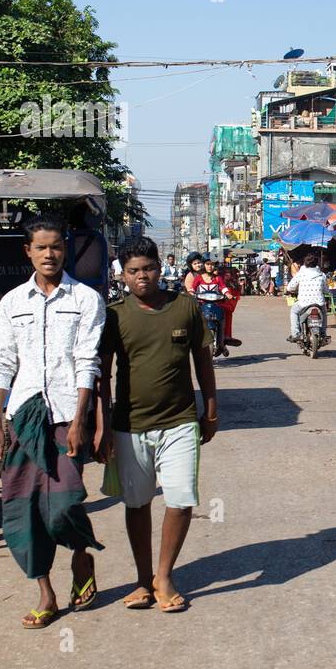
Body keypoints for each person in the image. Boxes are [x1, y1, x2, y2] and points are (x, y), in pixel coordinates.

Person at [0, 215, 107, 629]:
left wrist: (80, 420)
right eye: (41, 247)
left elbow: (88, 362)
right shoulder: (13, 304)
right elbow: (2, 364)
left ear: (65, 249)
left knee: (65, 503)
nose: (49, 254)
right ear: (28, 252)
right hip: (23, 415)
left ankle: (81, 557)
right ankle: (46, 594)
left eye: (56, 246)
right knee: (22, 511)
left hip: (65, 416)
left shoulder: (86, 299)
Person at [99, 236, 217, 614]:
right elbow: (103, 374)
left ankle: (164, 577)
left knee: (181, 500)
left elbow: (203, 362)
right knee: (137, 503)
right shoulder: (115, 315)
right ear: (122, 276)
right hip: (129, 425)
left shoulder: (185, 308)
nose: (142, 277)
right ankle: (142, 579)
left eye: (148, 268)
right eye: (133, 271)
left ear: (159, 267)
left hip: (180, 422)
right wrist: (101, 425)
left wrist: (211, 411)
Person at [286, 252, 328, 342]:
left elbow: (290, 287)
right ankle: (323, 333)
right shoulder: (322, 275)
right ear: (317, 263)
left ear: (305, 263)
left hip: (303, 303)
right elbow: (326, 290)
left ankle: (295, 334)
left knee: (294, 312)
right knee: (324, 313)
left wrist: (292, 290)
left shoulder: (301, 274)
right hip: (319, 303)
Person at [219, 263, 243, 347]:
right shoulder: (215, 279)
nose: (228, 275)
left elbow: (236, 293)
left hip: (227, 304)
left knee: (228, 315)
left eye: (229, 274)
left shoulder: (231, 282)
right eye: (226, 274)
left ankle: (227, 336)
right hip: (214, 302)